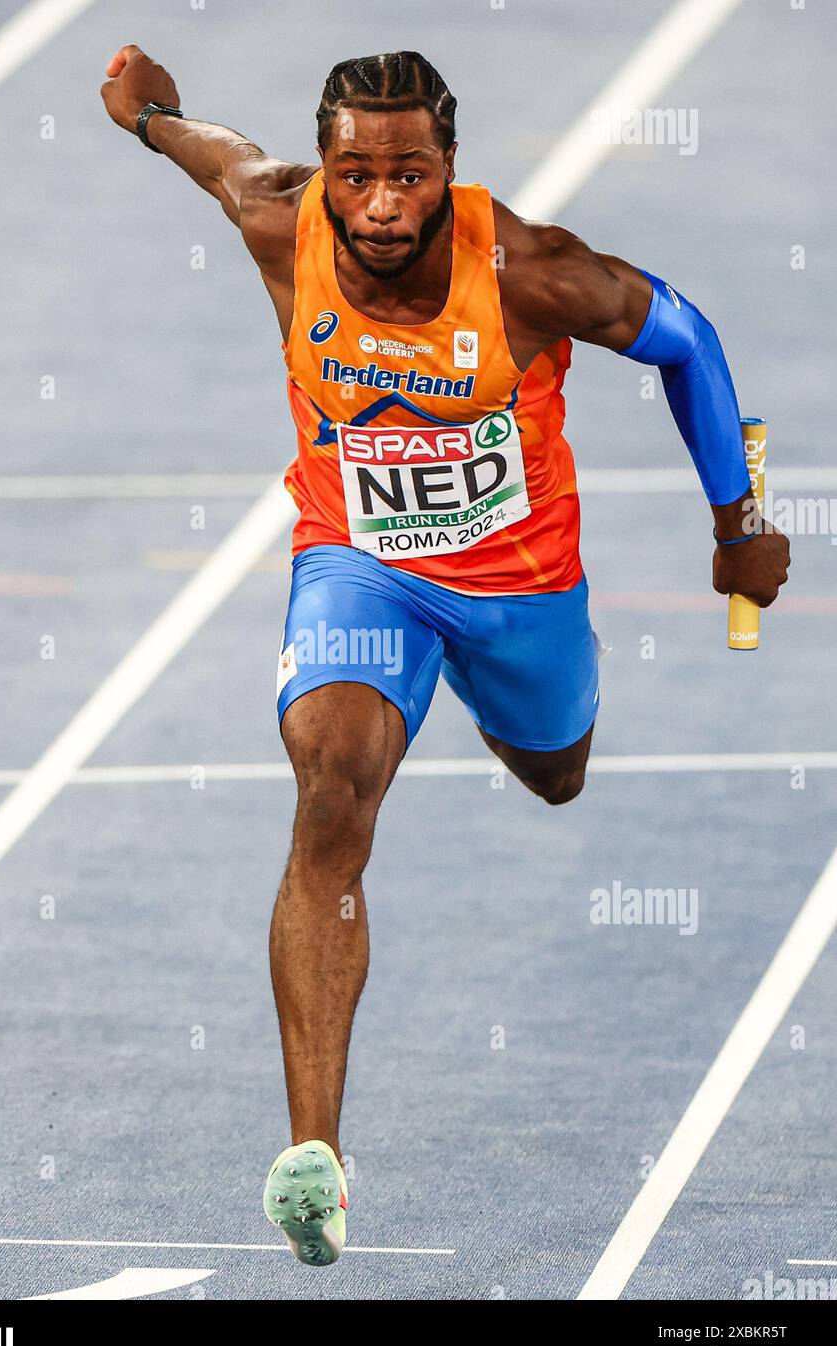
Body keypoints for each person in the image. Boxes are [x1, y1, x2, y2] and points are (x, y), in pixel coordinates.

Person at [101, 46, 790, 1266]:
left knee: (556, 770)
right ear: (324, 170)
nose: (378, 203)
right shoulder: (282, 220)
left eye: (407, 174)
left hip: (521, 586)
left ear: (448, 170)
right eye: (355, 172)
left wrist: (738, 524)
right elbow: (212, 155)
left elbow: (686, 340)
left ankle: (485, 698)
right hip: (362, 569)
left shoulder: (531, 273)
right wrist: (150, 111)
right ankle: (313, 1154)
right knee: (331, 798)